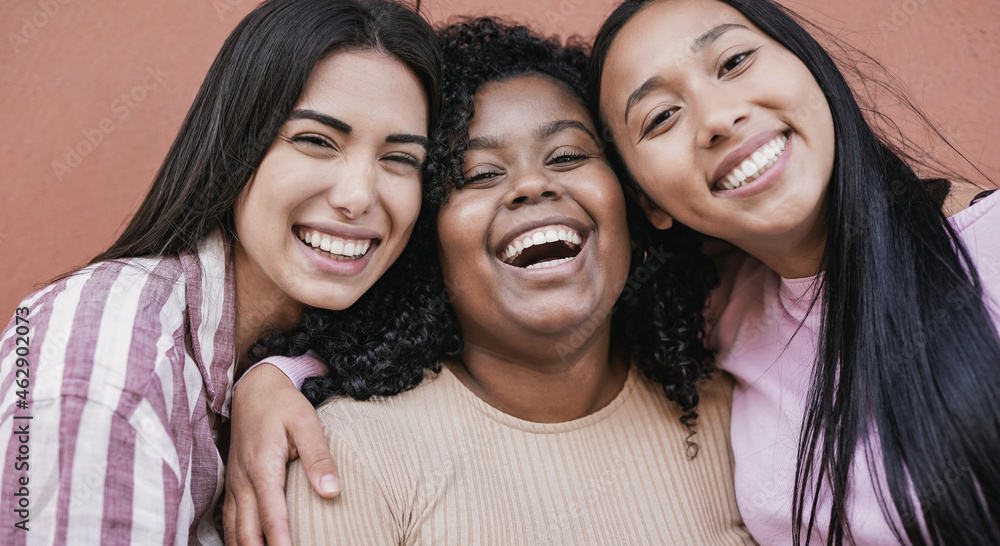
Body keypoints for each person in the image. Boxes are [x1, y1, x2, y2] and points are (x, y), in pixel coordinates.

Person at [228, 17, 753, 545]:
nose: (531, 184)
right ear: (427, 248)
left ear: (634, 206)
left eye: (567, 156)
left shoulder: (739, 420)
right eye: (478, 174)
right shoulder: (347, 456)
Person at [0, 0, 441, 543]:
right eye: (315, 141)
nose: (357, 196)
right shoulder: (111, 362)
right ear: (237, 143)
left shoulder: (334, 329)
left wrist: (282, 372)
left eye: (400, 158)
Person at [589, 0, 1000, 543]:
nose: (717, 118)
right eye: (661, 117)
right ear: (649, 203)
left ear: (809, 65)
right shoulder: (713, 321)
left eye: (734, 61)